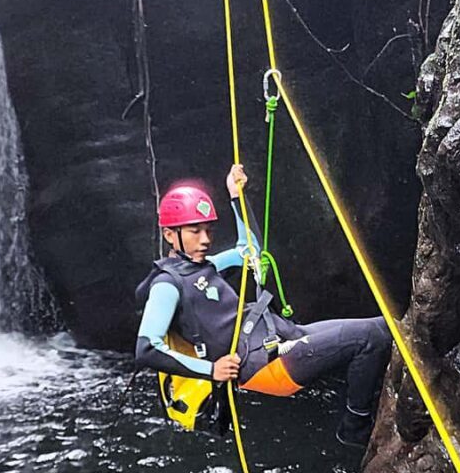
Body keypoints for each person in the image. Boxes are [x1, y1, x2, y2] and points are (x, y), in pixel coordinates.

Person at [135, 164, 393, 447]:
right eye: (195, 231)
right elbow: (147, 348)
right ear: (170, 235)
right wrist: (211, 371)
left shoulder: (206, 267)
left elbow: (249, 251)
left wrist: (237, 197)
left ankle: (374, 411)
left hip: (282, 335)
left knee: (384, 328)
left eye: (208, 230)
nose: (206, 239)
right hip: (264, 363)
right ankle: (354, 429)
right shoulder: (167, 285)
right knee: (368, 338)